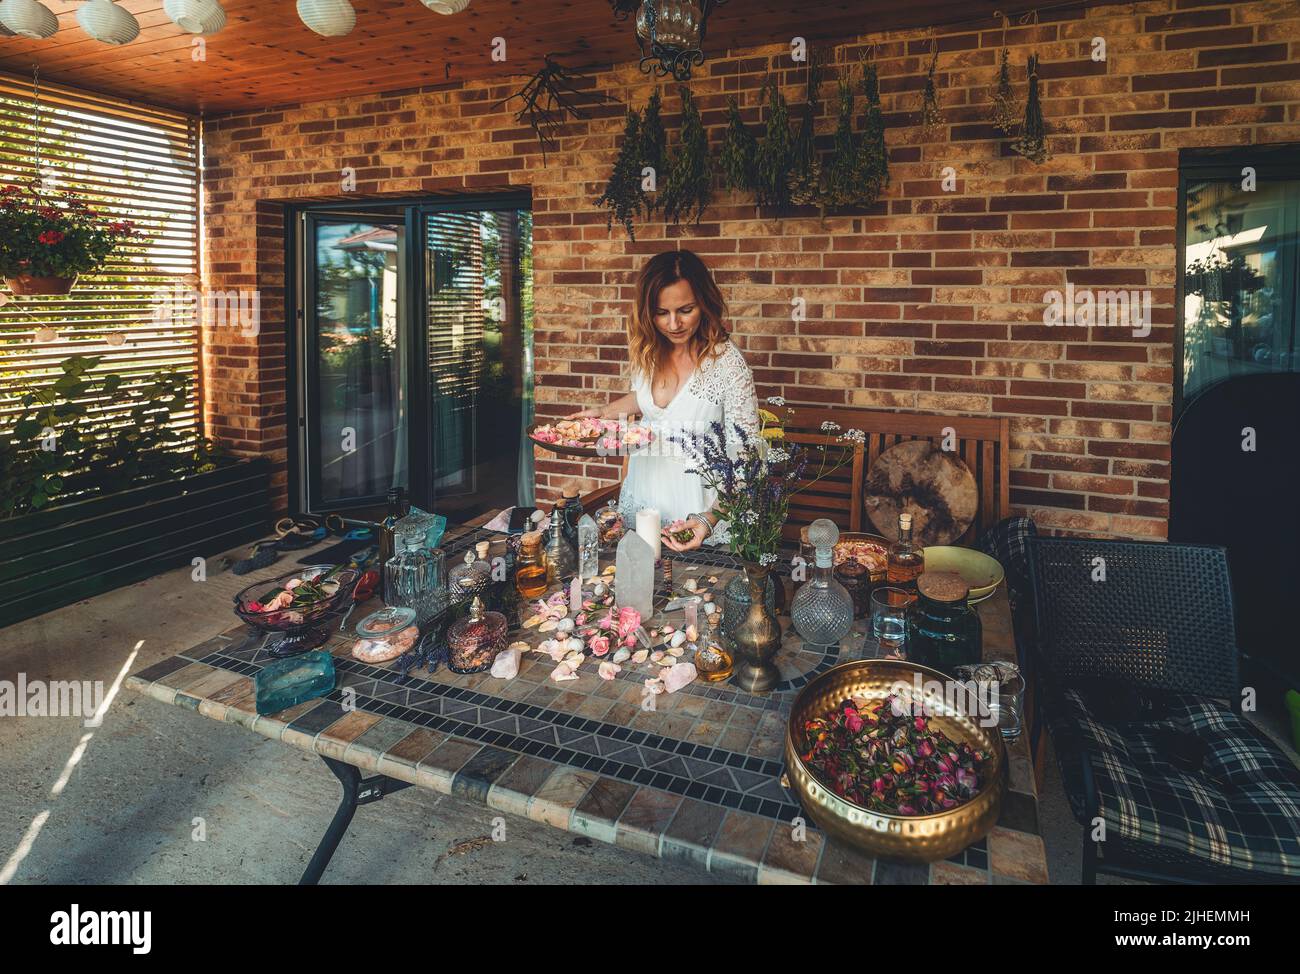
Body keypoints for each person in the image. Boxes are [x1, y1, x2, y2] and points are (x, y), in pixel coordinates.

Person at [570, 249, 759, 552]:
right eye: (661, 313)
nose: (674, 324)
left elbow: (749, 457)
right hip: (643, 503)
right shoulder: (649, 351)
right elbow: (651, 403)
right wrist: (604, 412)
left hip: (699, 516)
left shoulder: (727, 364)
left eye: (686, 310)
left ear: (705, 303)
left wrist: (710, 518)